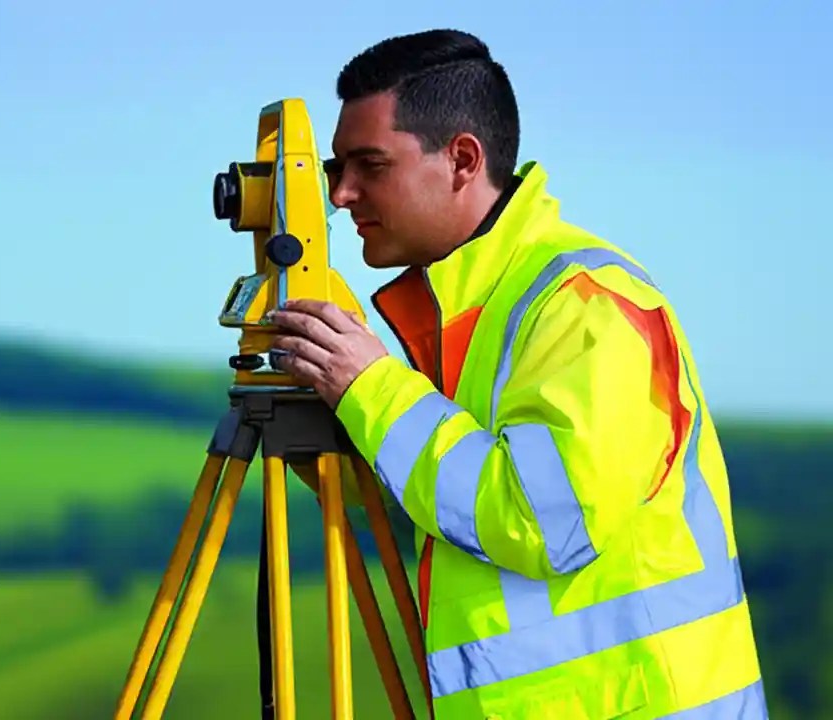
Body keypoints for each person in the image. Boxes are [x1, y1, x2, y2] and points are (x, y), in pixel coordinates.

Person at [267, 29, 768, 719]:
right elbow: (451, 502)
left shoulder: (587, 306)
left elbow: (540, 519)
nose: (342, 194)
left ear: (463, 160)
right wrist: (344, 415)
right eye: (333, 169)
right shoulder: (466, 309)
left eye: (369, 165)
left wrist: (374, 389)